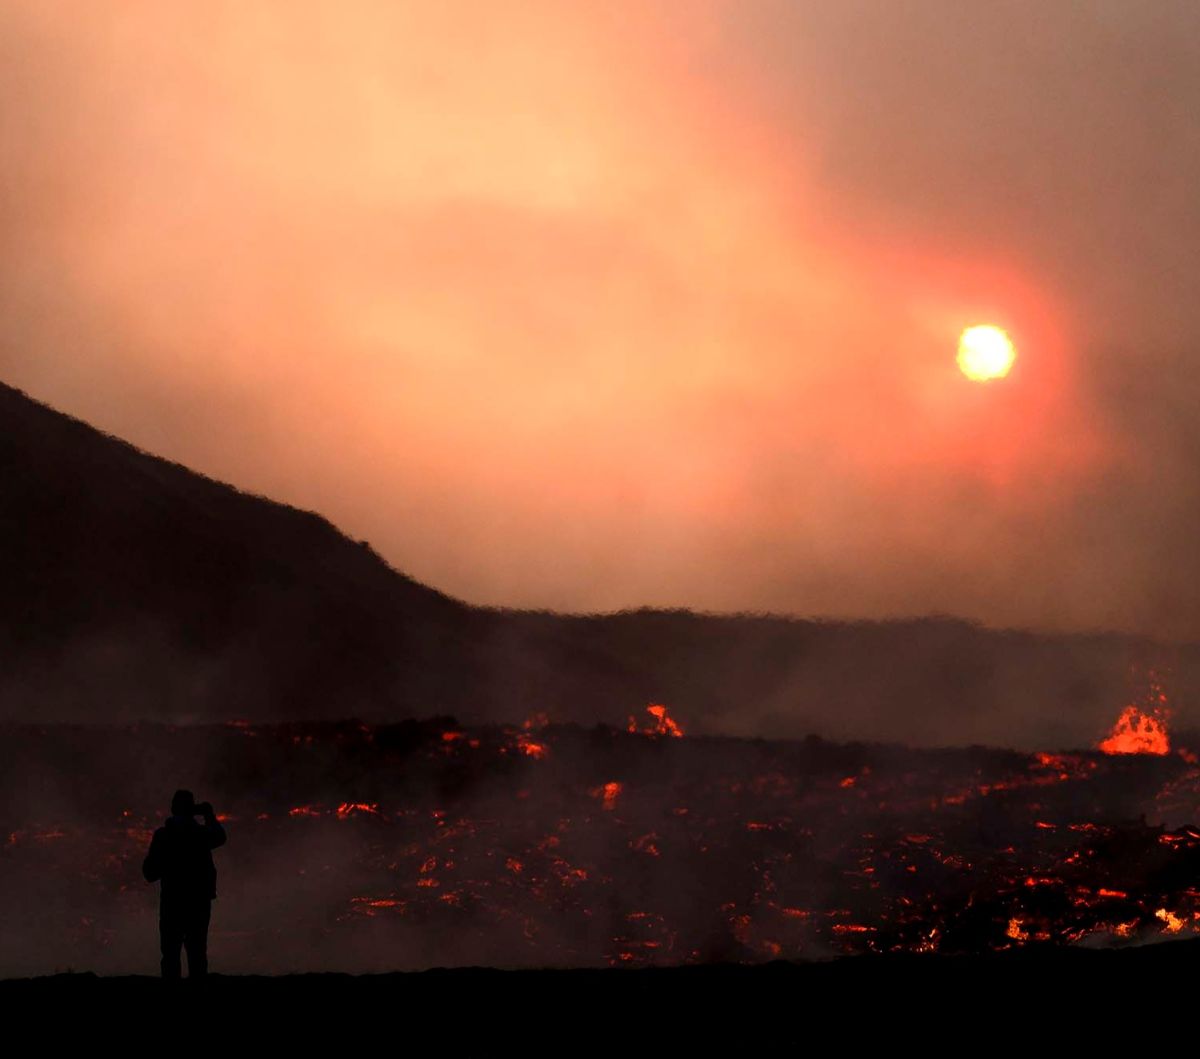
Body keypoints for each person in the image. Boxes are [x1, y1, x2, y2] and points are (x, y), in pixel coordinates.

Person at [142, 789, 227, 978]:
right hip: (197, 902)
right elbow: (220, 837)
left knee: (170, 956)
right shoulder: (200, 835)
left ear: (173, 809)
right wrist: (208, 815)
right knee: (197, 955)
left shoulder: (163, 836)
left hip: (172, 902)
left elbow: (149, 872)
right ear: (191, 810)